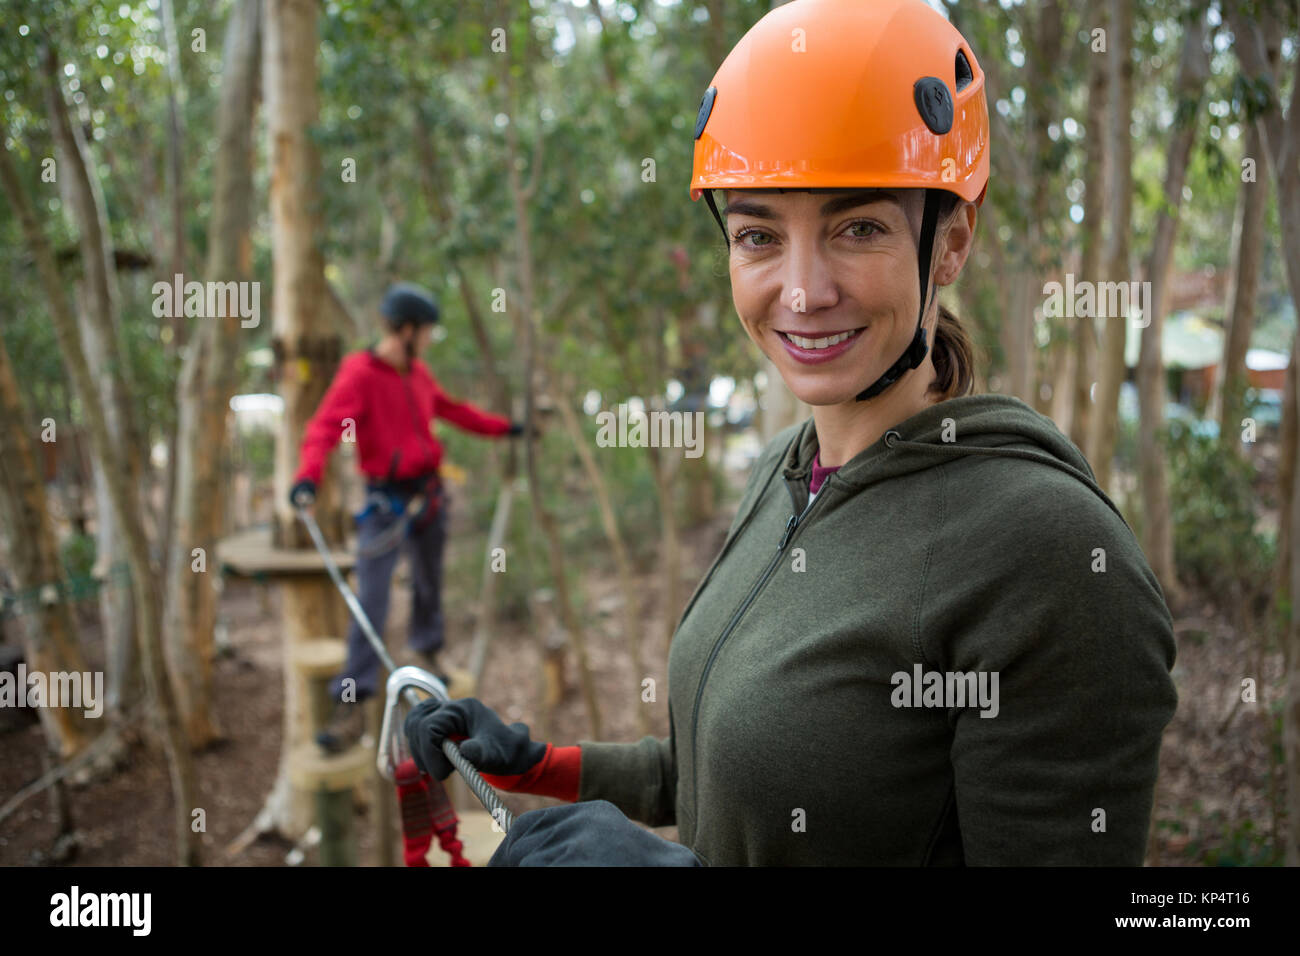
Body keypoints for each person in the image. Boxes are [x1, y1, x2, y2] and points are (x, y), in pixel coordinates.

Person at [406, 0, 1178, 865]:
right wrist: (539, 764)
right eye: (759, 235)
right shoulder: (788, 469)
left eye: (858, 228)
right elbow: (732, 775)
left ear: (951, 241)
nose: (803, 291)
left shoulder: (1047, 553)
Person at [290, 282, 528, 753]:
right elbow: (323, 428)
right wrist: (307, 479)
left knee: (427, 585)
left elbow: (454, 412)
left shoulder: (418, 374)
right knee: (372, 601)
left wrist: (507, 428)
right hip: (385, 504)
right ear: (405, 330)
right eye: (427, 333)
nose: (429, 342)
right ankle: (351, 702)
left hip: (428, 497)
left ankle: (428, 651)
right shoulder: (359, 374)